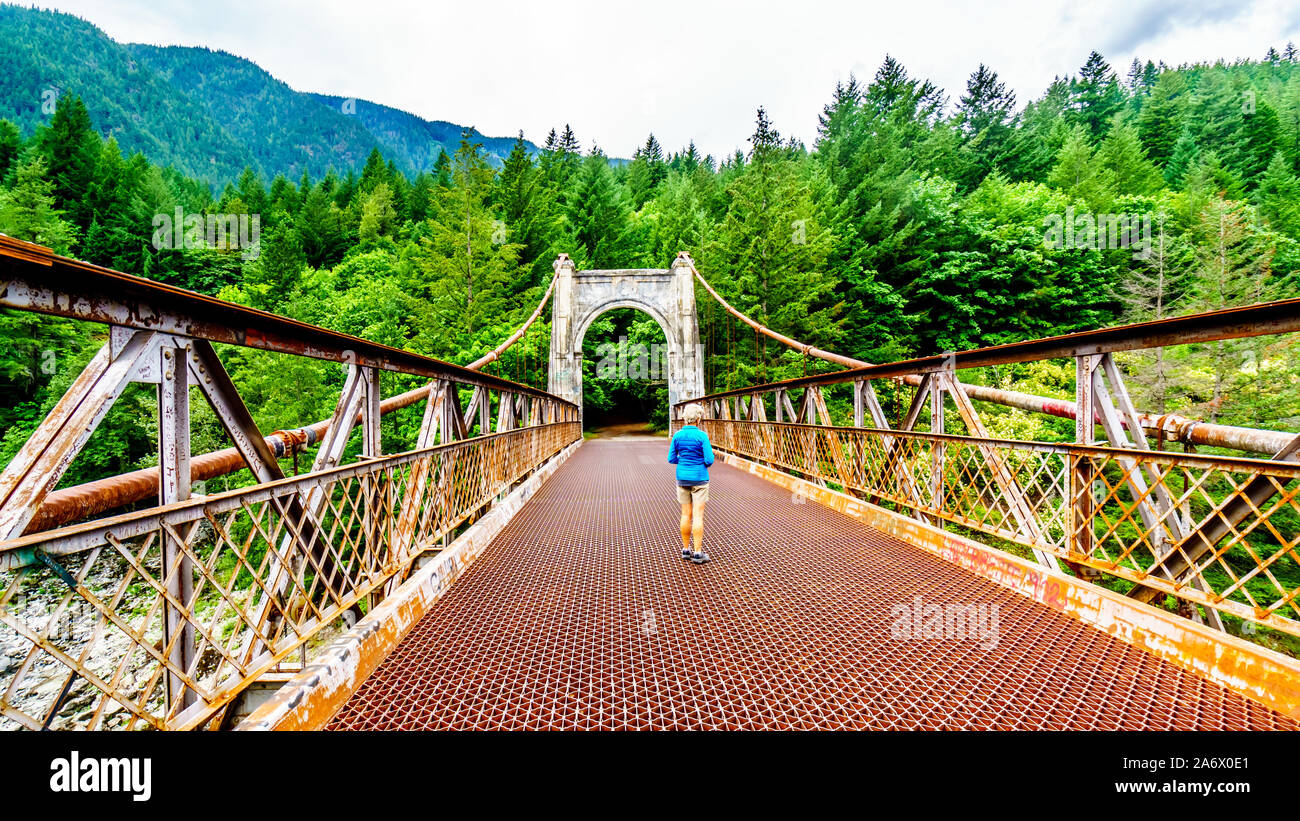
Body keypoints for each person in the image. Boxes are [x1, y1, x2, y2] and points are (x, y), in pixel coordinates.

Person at [668, 403, 714, 564]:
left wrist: (684, 461)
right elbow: (709, 459)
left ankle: (685, 550)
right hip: (700, 478)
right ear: (699, 418)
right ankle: (698, 553)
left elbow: (671, 458)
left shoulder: (677, 436)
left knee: (685, 514)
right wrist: (699, 462)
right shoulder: (702, 436)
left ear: (685, 418)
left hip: (682, 478)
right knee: (698, 516)